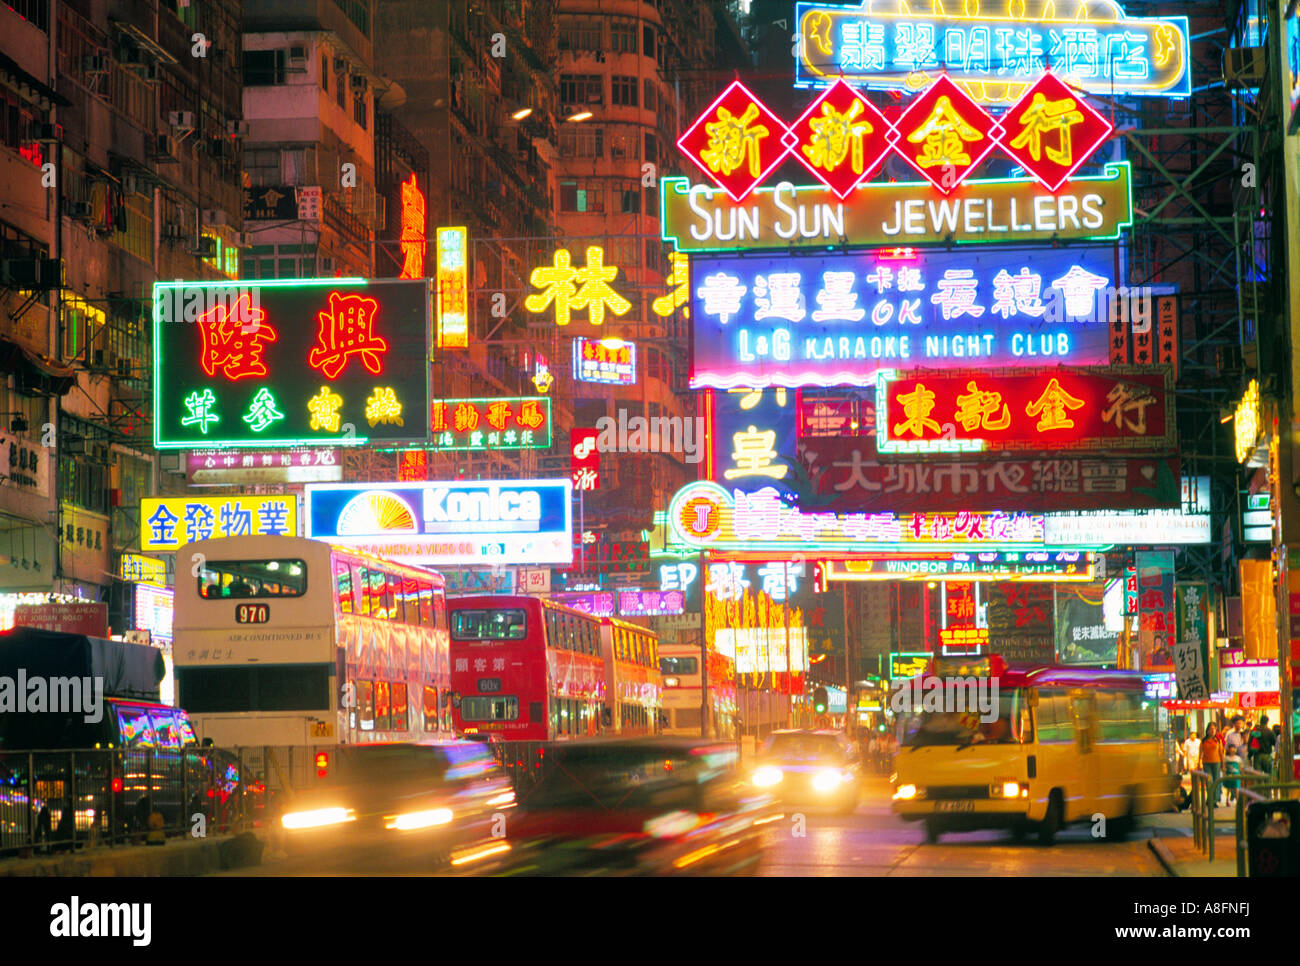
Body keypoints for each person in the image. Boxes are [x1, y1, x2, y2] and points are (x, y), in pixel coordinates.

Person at [1201, 722, 1225, 805]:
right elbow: (1201, 752)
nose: (1212, 731)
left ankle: (1214, 800)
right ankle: (1210, 798)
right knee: (1209, 781)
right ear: (1207, 730)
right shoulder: (1204, 741)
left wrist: (1223, 765)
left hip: (1216, 763)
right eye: (1211, 729)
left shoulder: (1218, 740)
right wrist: (1198, 763)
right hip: (1206, 763)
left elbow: (1221, 753)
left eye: (1214, 729)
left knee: (1216, 782)